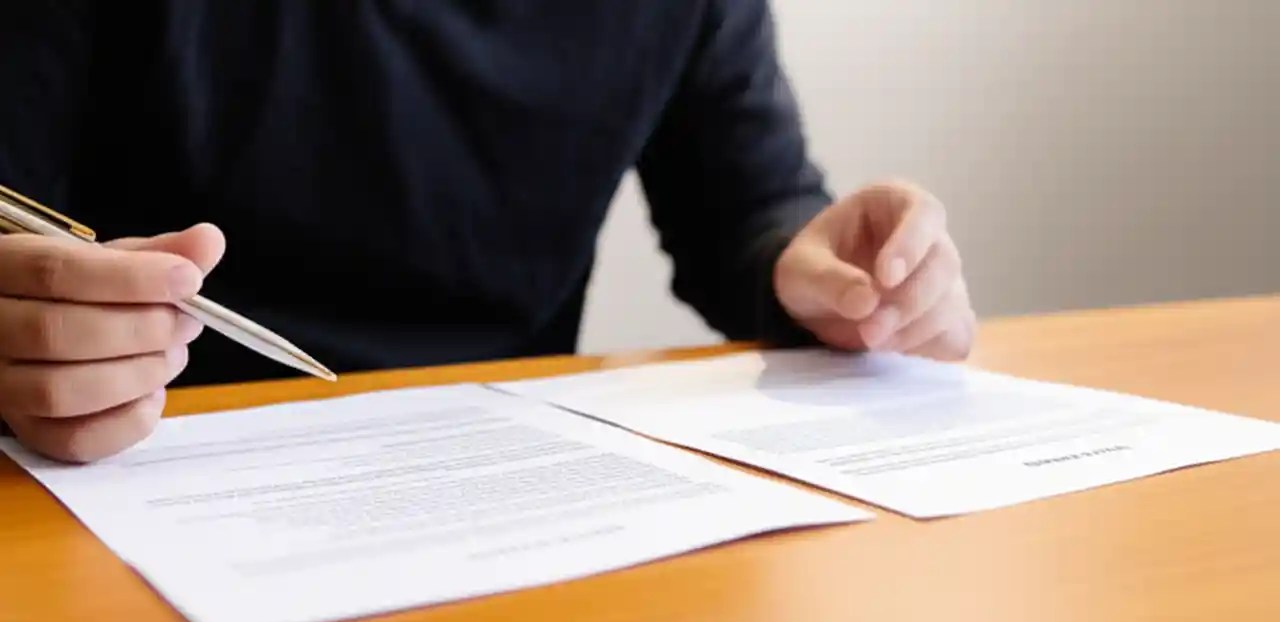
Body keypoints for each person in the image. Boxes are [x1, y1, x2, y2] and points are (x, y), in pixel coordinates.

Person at [0, 2, 975, 462]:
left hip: (493, 484)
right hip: (137, 467)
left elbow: (748, 212)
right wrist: (27, 330)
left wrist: (820, 271)